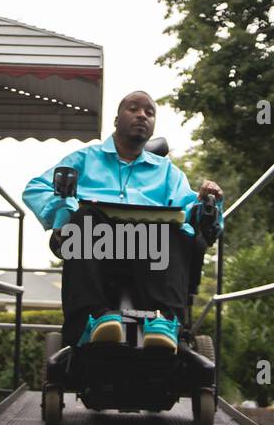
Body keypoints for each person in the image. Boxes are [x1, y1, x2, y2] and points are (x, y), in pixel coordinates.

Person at [22, 90, 224, 353]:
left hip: (151, 248)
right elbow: (35, 189)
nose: (142, 115)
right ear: (117, 120)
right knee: (84, 217)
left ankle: (164, 323)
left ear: (153, 127)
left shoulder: (167, 172)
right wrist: (66, 212)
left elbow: (188, 209)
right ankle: (92, 322)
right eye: (133, 109)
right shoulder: (84, 159)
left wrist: (207, 203)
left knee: (176, 227)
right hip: (98, 244)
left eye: (149, 112)